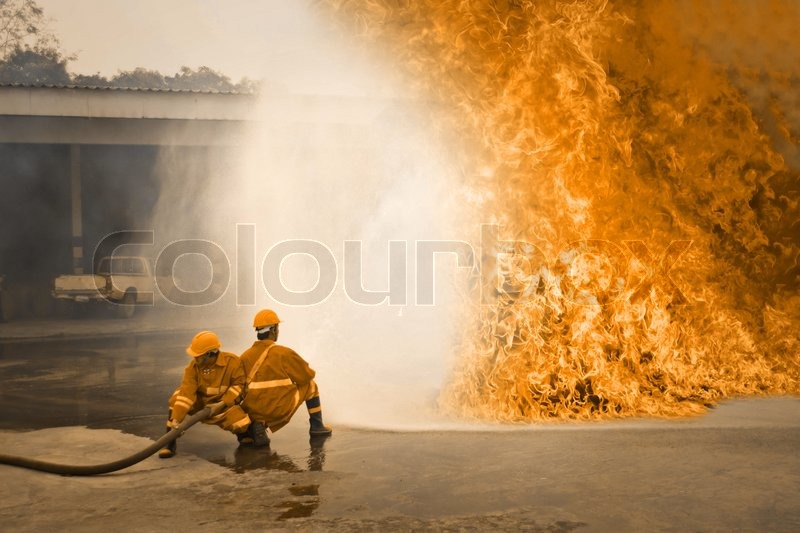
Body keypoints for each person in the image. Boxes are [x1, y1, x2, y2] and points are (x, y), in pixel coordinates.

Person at [159, 330, 268, 459]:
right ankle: (169, 444)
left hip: (223, 406)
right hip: (200, 405)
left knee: (242, 423)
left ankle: (245, 434)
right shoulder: (193, 367)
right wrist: (176, 420)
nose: (195, 358)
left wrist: (221, 404)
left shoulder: (232, 363)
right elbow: (186, 394)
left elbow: (239, 387)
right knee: (177, 398)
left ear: (210, 354)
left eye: (198, 355)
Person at [239, 309, 332, 442]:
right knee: (310, 385)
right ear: (273, 330)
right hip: (276, 411)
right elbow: (307, 376)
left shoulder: (244, 356)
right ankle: (317, 427)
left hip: (252, 413)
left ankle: (254, 427)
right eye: (277, 328)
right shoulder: (283, 353)